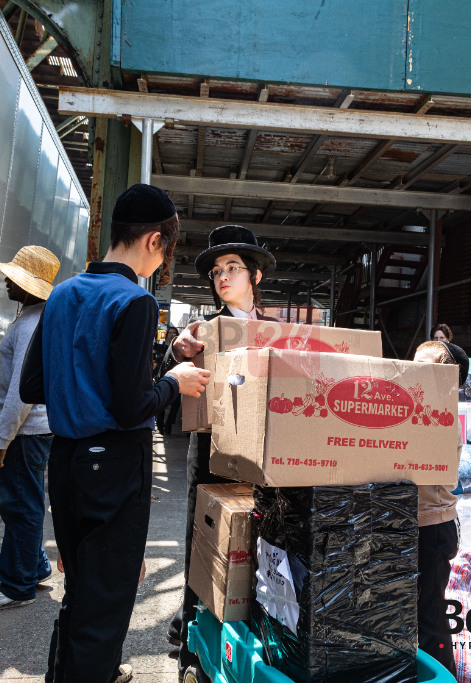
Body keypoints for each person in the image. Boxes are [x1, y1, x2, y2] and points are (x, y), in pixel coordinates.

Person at [19, 183, 210, 683]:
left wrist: (80, 386)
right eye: (166, 247)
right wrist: (174, 382)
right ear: (153, 240)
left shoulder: (61, 295)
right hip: (114, 465)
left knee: (82, 594)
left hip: (66, 462)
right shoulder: (135, 302)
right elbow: (133, 407)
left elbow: (32, 384)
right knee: (106, 608)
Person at [162, 224, 276, 678]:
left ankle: (246, 638)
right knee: (206, 543)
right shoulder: (205, 329)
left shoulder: (274, 331)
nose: (222, 276)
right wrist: (178, 348)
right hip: (211, 451)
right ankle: (193, 644)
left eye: (233, 268)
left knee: (254, 543)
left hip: (264, 455)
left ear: (256, 276)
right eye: (216, 271)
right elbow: (181, 349)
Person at [0, 246, 61, 612]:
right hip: (35, 431)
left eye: (14, 277)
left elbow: (22, 395)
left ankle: (16, 586)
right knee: (27, 504)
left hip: (25, 434)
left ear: (29, 286)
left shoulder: (29, 323)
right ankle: (35, 567)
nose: (7, 281)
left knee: (20, 507)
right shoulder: (37, 317)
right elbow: (28, 374)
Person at [412, 339, 470, 677]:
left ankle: (443, 674)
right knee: (419, 610)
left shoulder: (440, 416)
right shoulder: (420, 407)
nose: (413, 370)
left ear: (448, 376)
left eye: (425, 365)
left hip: (432, 528)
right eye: (413, 361)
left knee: (430, 614)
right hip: (416, 523)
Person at [156, 325, 181, 435]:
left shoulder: (180, 349)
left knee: (175, 404)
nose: (172, 335)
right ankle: (160, 424)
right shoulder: (160, 347)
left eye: (174, 333)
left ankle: (169, 424)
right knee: (161, 401)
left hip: (177, 377)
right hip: (162, 377)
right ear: (167, 335)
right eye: (170, 333)